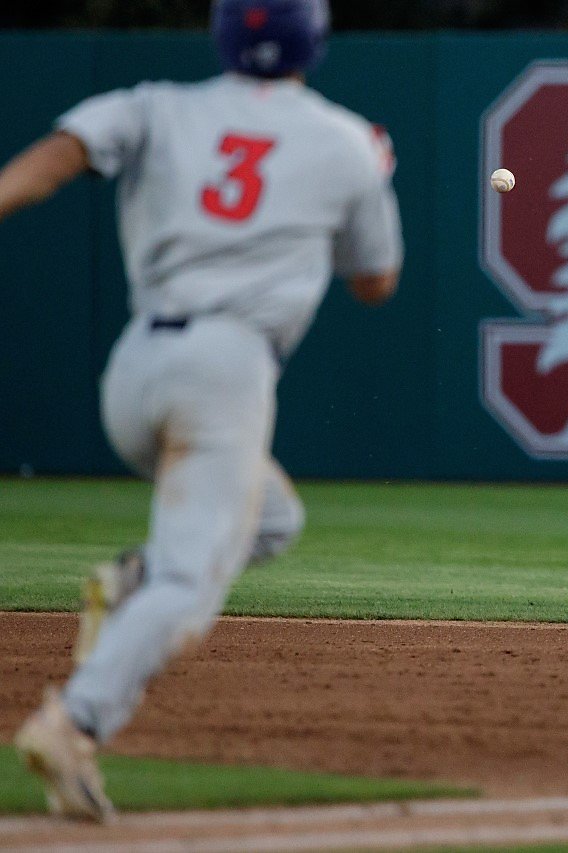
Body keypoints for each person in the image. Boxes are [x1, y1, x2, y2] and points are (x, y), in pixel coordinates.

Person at [0, 0, 402, 822]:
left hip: (136, 368)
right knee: (193, 580)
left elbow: (58, 155)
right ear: (314, 41)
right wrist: (368, 177)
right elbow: (376, 283)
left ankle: (132, 580)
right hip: (225, 369)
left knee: (272, 517)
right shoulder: (345, 141)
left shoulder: (158, 104)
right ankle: (74, 722)